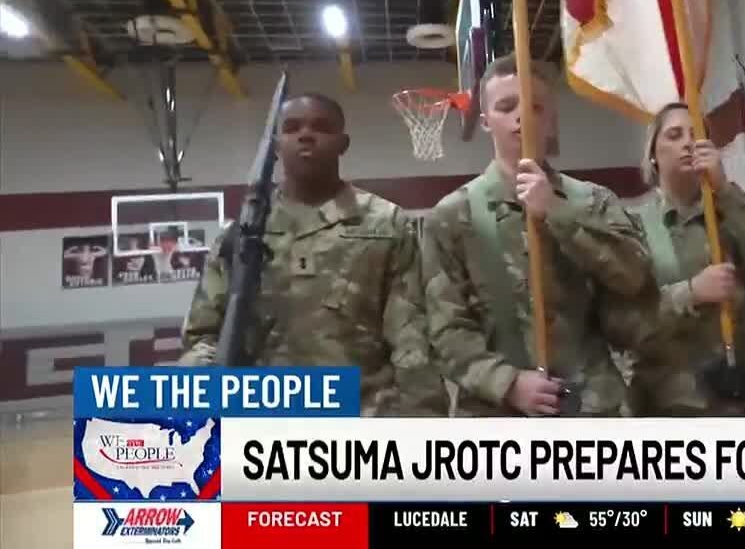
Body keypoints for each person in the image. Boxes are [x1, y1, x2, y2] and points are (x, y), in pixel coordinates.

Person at [177, 93, 448, 417]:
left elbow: (411, 339)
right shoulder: (241, 237)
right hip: (265, 428)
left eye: (321, 127)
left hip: (363, 423)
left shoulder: (385, 223)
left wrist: (424, 424)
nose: (306, 134)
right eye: (292, 128)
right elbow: (203, 335)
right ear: (276, 145)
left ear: (342, 143)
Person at [422, 55, 664, 418]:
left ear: (551, 119)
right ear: (486, 122)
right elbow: (445, 328)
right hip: (497, 415)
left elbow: (634, 276)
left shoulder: (592, 201)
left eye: (535, 106)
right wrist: (507, 383)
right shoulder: (452, 216)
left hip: (591, 409)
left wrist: (556, 211)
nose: (522, 115)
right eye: (506, 106)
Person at [625, 102, 745, 417]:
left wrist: (724, 189)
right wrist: (691, 292)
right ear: (653, 153)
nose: (689, 143)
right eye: (674, 135)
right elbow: (626, 317)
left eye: (698, 134)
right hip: (676, 402)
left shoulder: (734, 209)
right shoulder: (634, 225)